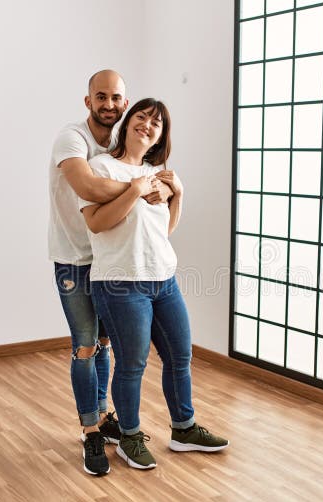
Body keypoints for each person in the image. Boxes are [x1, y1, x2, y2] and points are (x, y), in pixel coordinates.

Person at [79, 98, 229, 470]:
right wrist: (132, 189)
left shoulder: (157, 174)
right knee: (132, 364)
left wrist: (179, 192)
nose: (148, 125)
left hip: (164, 280)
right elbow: (96, 224)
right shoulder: (101, 167)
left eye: (157, 123)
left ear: (161, 136)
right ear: (128, 123)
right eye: (142, 117)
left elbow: (164, 230)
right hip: (120, 283)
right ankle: (129, 436)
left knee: (180, 357)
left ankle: (184, 428)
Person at [48, 70, 172, 476]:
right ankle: (90, 431)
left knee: (105, 343)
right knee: (85, 346)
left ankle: (103, 417)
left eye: (116, 97)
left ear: (125, 101)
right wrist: (141, 184)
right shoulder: (73, 140)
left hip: (111, 262)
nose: (109, 104)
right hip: (75, 258)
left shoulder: (121, 151)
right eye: (100, 97)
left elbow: (153, 219)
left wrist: (153, 185)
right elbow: (90, 188)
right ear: (88, 101)